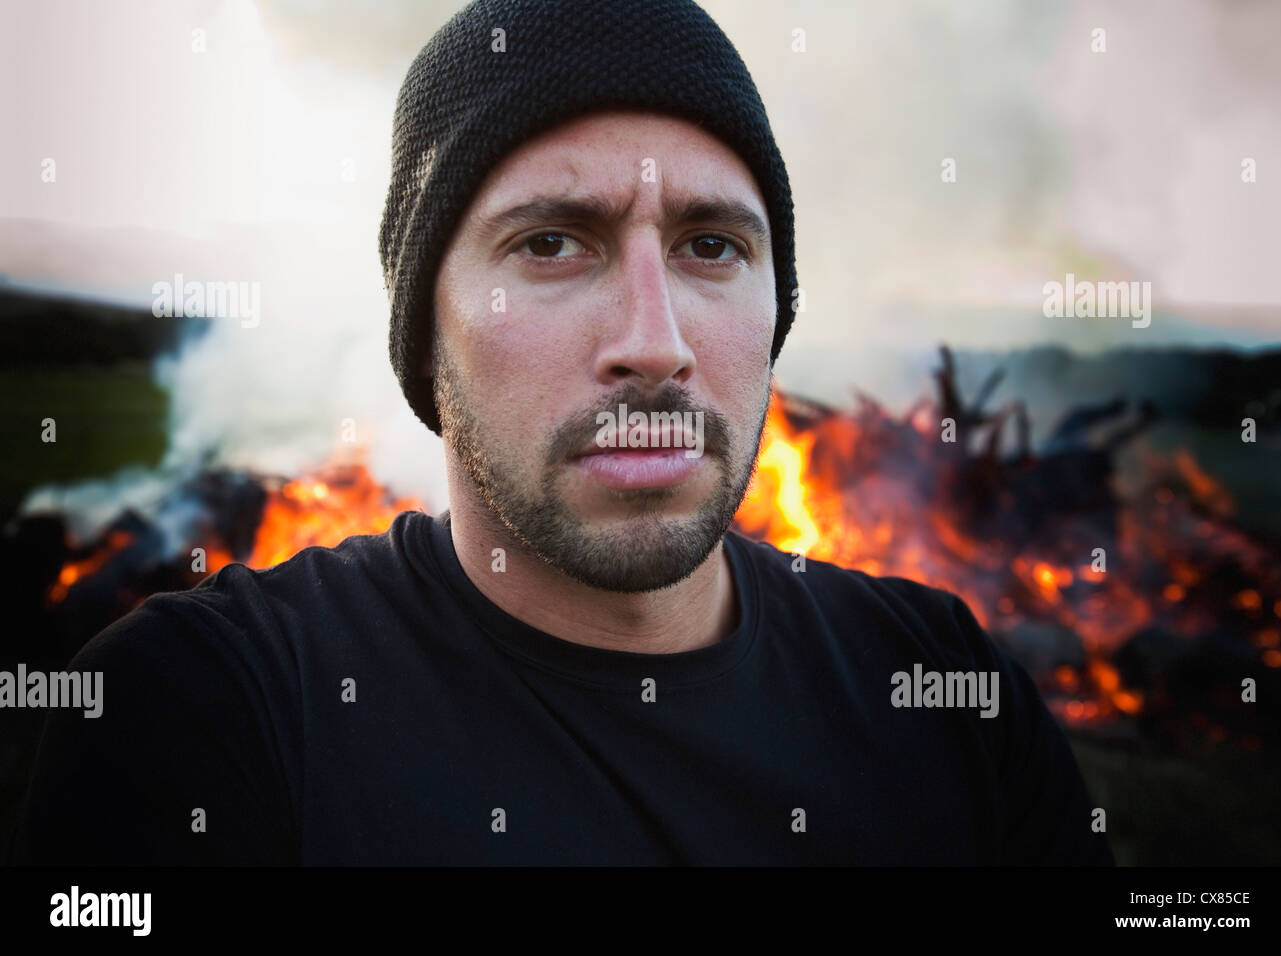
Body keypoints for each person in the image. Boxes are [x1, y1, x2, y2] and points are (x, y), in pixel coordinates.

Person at [6, 0, 1112, 866]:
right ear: (422, 328)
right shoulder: (208, 709)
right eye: (550, 242)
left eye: (712, 245)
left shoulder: (940, 681)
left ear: (777, 306)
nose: (654, 341)